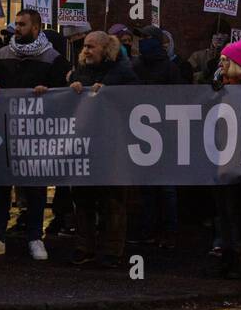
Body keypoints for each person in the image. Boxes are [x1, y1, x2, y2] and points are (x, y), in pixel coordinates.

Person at [0, 8, 69, 261]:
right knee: (2, 184)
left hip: (36, 133)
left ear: (36, 28)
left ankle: (36, 237)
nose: (17, 28)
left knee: (36, 187)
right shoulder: (3, 54)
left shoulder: (54, 58)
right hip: (7, 129)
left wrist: (49, 91)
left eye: (23, 24)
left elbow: (65, 92)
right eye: (16, 23)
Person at [67, 30, 138, 267]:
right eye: (84, 46)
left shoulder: (123, 72)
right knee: (83, 197)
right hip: (85, 144)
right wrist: (72, 86)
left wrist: (110, 91)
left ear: (105, 50)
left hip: (113, 144)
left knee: (113, 200)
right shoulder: (81, 70)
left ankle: (113, 250)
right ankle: (83, 247)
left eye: (90, 47)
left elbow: (135, 100)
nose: (85, 51)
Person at [129, 26, 181, 248]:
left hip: (166, 135)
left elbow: (182, 99)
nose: (142, 41)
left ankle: (169, 232)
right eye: (141, 37)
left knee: (167, 188)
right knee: (146, 188)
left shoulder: (170, 68)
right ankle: (147, 229)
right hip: (142, 136)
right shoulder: (135, 66)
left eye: (147, 37)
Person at [210, 37, 241, 277]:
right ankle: (226, 256)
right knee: (222, 210)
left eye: (225, 60)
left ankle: (236, 258)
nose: (221, 63)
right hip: (220, 156)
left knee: (235, 211)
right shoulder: (219, 85)